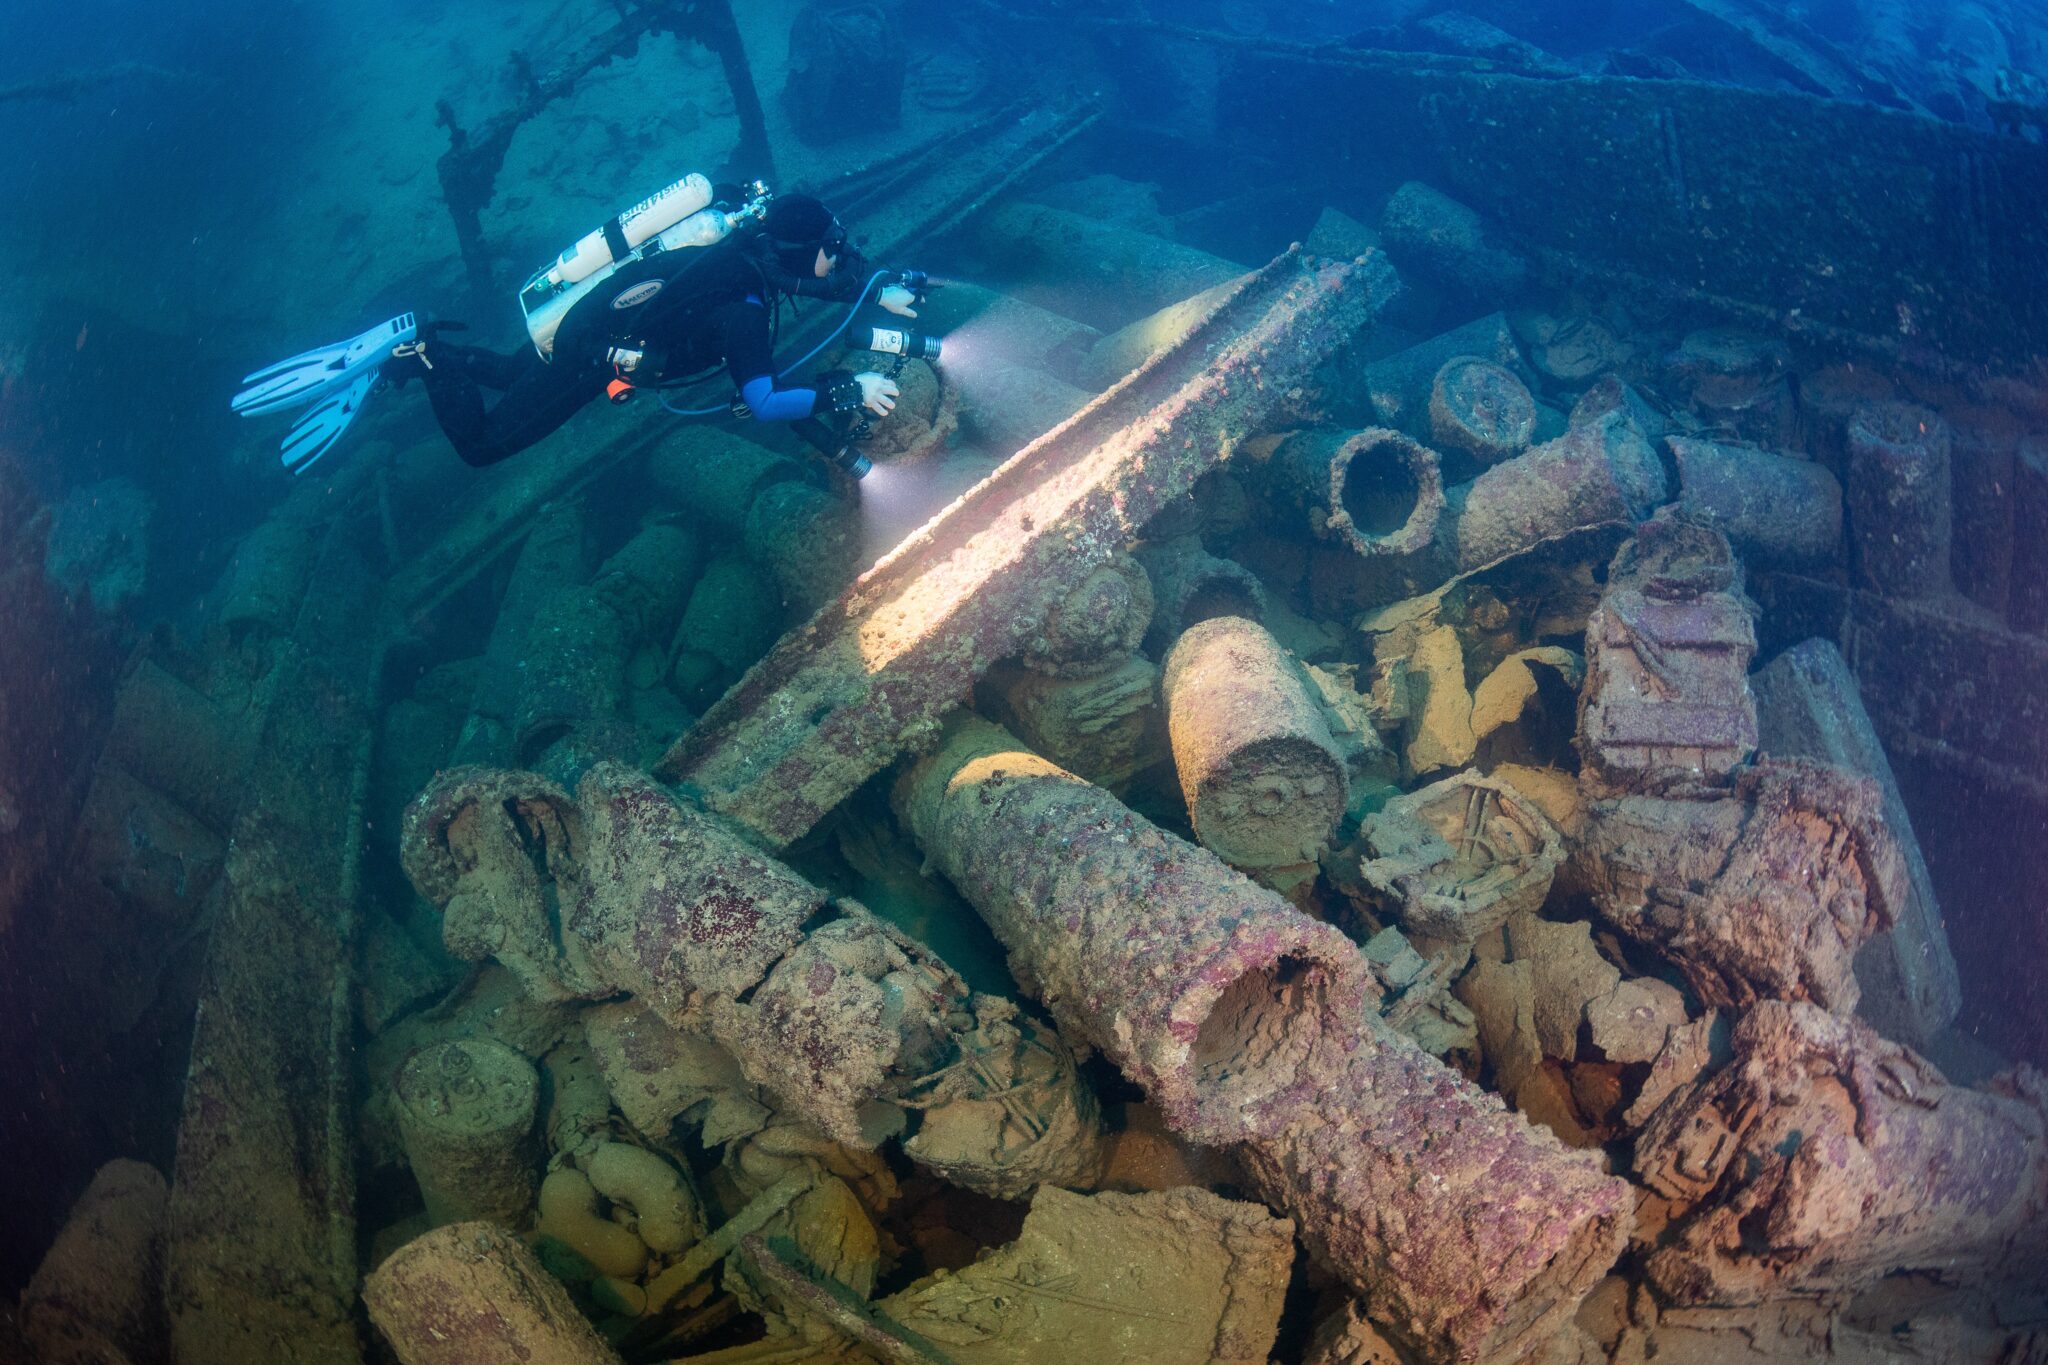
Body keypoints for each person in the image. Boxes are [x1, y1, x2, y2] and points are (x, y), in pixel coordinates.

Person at [233, 188, 922, 476]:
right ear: (801, 252)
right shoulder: (744, 306)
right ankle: (422, 354)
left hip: (591, 317)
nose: (834, 257)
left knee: (510, 374)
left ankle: (417, 360)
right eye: (830, 248)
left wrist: (879, 282)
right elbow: (766, 401)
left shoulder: (748, 247)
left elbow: (817, 273)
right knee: (481, 445)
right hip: (595, 352)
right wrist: (847, 388)